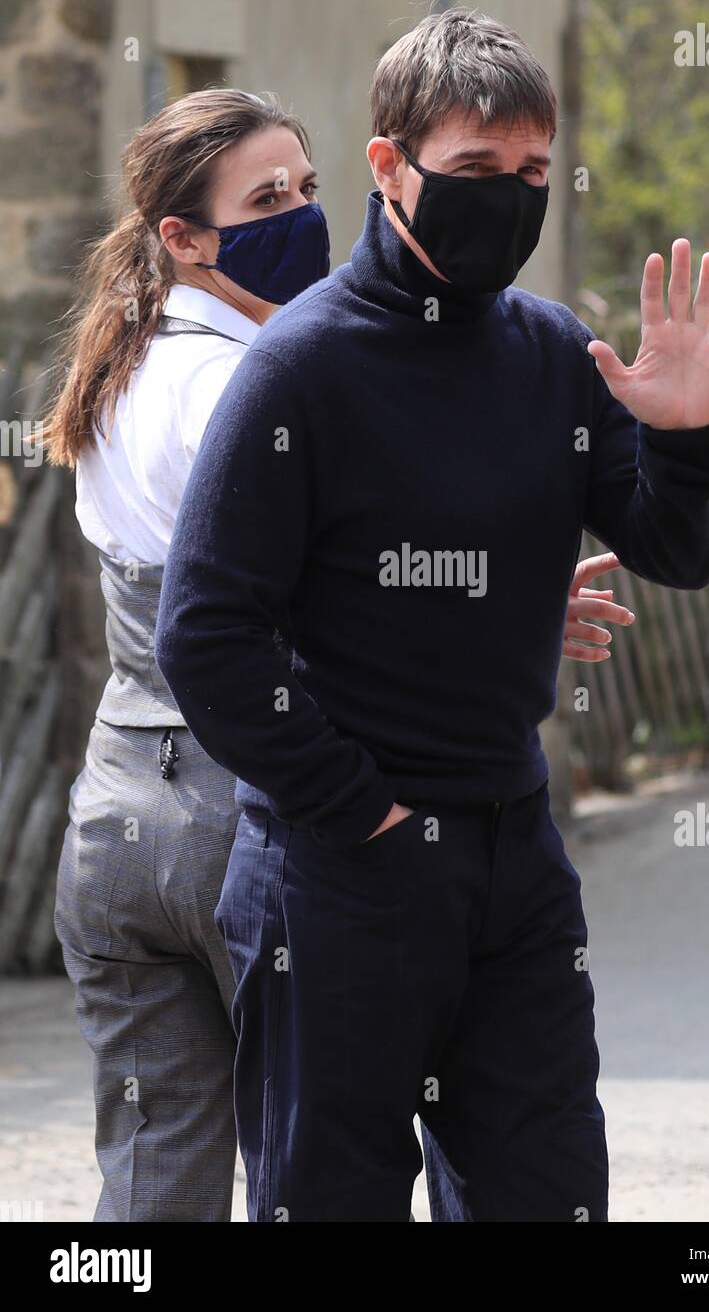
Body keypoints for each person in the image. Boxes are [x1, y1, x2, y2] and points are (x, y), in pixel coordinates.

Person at [155, 7, 709, 1223]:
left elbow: (677, 552)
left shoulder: (550, 352)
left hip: (512, 860)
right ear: (389, 168)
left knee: (543, 1193)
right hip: (336, 877)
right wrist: (361, 811)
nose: (511, 198)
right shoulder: (299, 371)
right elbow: (206, 635)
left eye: (533, 172)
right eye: (476, 171)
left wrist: (685, 441)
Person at [45, 87, 329, 1221]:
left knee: (152, 1174)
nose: (304, 214)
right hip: (244, 814)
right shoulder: (247, 386)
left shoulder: (111, 376)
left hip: (114, 823)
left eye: (308, 188)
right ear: (181, 236)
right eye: (268, 198)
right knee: (308, 1162)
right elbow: (326, 600)